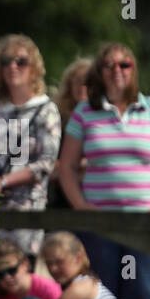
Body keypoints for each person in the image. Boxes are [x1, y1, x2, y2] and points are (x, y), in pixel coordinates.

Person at [55, 42, 150, 299]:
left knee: (143, 298)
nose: (117, 70)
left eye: (124, 64)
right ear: (99, 72)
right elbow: (66, 167)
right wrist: (79, 205)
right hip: (100, 224)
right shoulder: (85, 111)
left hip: (145, 221)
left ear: (133, 69)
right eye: (108, 65)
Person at [0, 34, 61, 261]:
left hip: (25, 213)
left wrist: (2, 182)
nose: (13, 66)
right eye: (6, 61)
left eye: (20, 61)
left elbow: (45, 164)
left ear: (34, 68)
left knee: (17, 278)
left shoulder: (45, 110)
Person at [36, 232, 124, 299]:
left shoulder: (80, 287)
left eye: (59, 262)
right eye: (48, 263)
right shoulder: (84, 281)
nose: (53, 269)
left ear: (78, 258)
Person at [49, 56, 91, 209]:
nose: (82, 87)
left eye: (88, 82)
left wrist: (71, 166)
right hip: (62, 202)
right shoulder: (55, 119)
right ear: (69, 85)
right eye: (78, 81)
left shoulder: (107, 121)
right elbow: (47, 165)